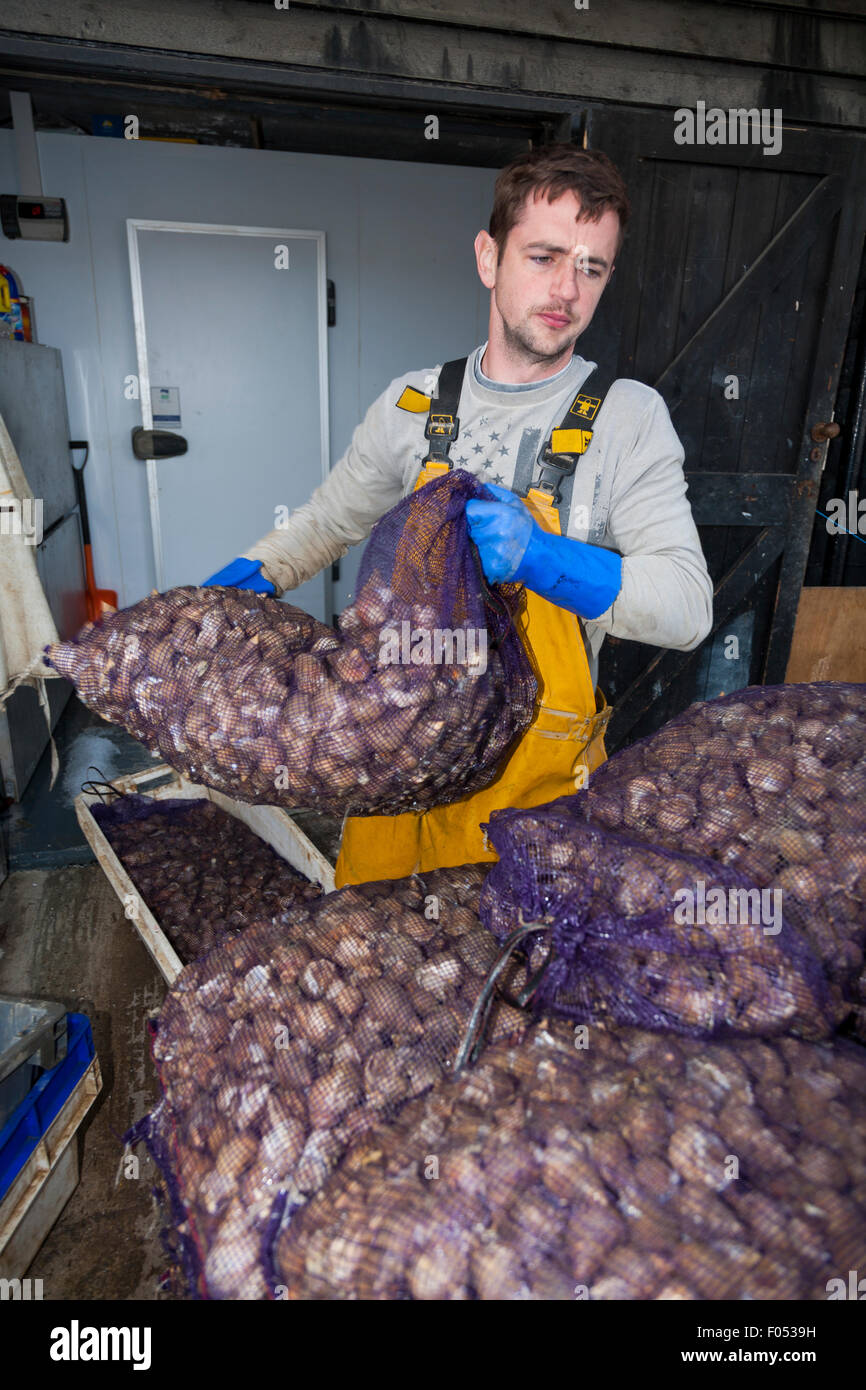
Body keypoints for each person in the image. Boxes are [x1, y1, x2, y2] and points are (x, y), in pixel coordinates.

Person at [205, 144, 713, 887]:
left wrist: (544, 556)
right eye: (542, 256)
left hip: (529, 800)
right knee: (376, 969)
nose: (566, 289)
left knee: (505, 981)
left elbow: (687, 607)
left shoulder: (628, 420)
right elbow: (326, 522)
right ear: (488, 257)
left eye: (592, 267)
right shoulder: (411, 406)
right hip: (394, 765)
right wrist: (256, 574)